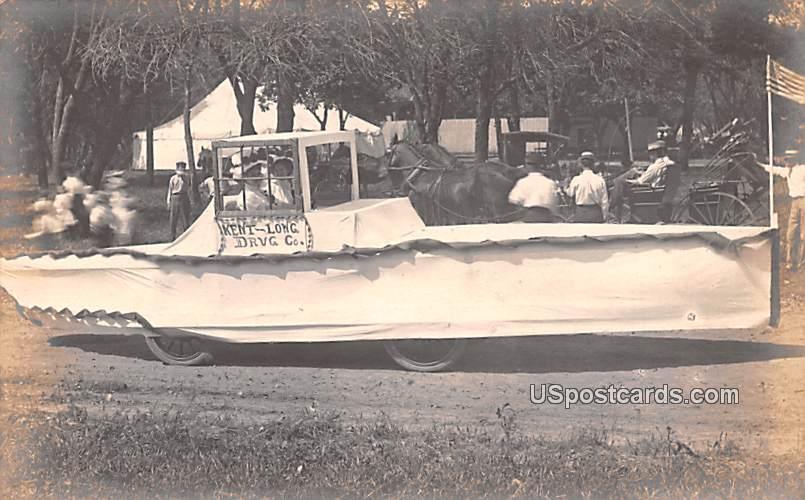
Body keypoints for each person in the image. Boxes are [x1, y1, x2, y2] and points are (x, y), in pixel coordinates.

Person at [756, 149, 805, 270]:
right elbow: (773, 169)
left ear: (795, 160)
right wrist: (758, 164)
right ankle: (790, 261)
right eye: (786, 160)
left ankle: (801, 262)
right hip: (794, 202)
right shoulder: (787, 171)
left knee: (803, 233)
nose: (786, 162)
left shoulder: (803, 169)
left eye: (789, 160)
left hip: (804, 201)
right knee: (791, 232)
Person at [609, 141, 674, 219]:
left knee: (619, 182)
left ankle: (610, 207)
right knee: (631, 173)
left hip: (650, 193)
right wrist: (640, 172)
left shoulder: (655, 166)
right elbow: (652, 175)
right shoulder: (670, 163)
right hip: (660, 191)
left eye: (651, 153)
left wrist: (629, 180)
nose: (650, 155)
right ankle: (612, 203)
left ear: (656, 153)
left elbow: (640, 181)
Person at [567, 151, 609, 222]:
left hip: (581, 213)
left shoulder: (576, 179)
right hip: (596, 213)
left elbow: (570, 193)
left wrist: (565, 187)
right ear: (593, 164)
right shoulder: (600, 180)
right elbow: (604, 201)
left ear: (581, 164)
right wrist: (604, 215)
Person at [167, 161, 191, 239]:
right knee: (173, 217)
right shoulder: (173, 178)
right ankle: (172, 235)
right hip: (175, 197)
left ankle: (186, 235)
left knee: (185, 217)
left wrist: (189, 200)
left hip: (184, 197)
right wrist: (168, 201)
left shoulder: (186, 178)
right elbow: (170, 190)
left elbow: (188, 188)